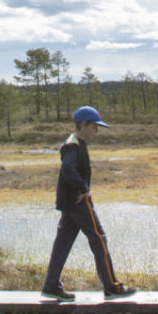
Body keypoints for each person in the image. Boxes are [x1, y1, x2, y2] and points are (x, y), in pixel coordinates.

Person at [40, 105, 135, 300]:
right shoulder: (73, 145)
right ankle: (111, 287)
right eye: (94, 126)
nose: (96, 131)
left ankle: (51, 286)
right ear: (83, 125)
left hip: (69, 202)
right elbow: (68, 169)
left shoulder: (75, 143)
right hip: (78, 201)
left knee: (63, 242)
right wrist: (83, 188)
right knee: (98, 238)